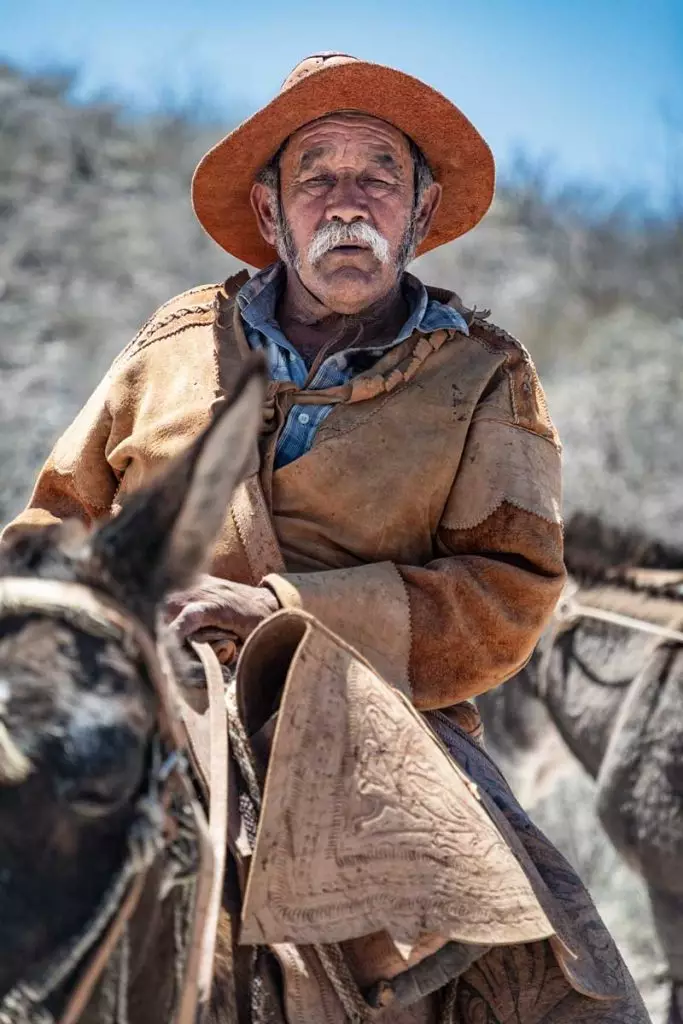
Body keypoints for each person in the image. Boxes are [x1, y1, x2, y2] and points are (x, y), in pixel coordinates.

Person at [1, 53, 648, 1023]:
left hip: (377, 723)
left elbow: (509, 590)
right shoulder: (169, 345)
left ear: (419, 213)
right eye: (317, 176)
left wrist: (283, 613)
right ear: (272, 214)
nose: (347, 202)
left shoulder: (485, 377)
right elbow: (51, 524)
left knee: (537, 972)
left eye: (378, 174)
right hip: (145, 686)